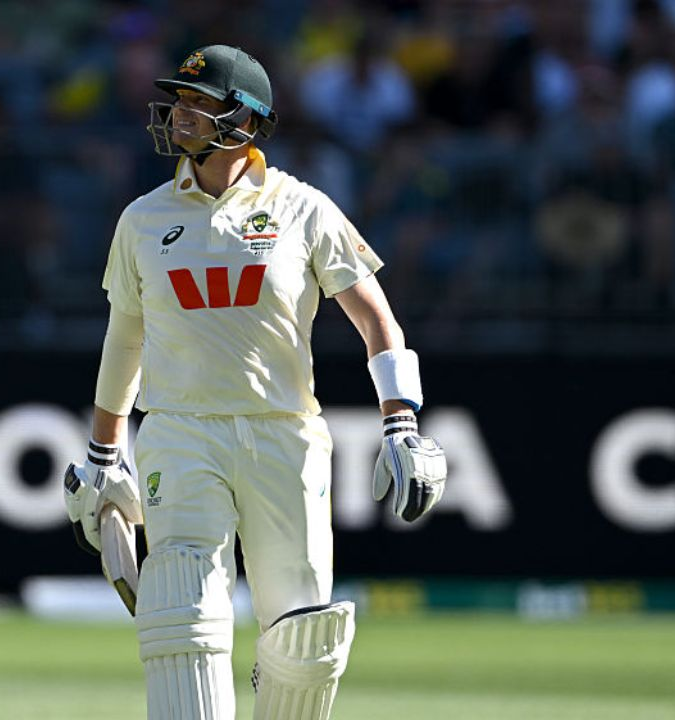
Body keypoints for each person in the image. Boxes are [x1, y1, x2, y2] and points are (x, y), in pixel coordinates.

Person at [63, 45, 447, 720]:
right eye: (178, 101)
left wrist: (402, 423)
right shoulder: (143, 219)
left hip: (284, 435)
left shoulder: (304, 208)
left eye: (197, 102)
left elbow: (377, 321)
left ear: (243, 118)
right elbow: (125, 339)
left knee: (303, 639)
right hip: (181, 433)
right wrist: (102, 454)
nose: (179, 115)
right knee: (183, 619)